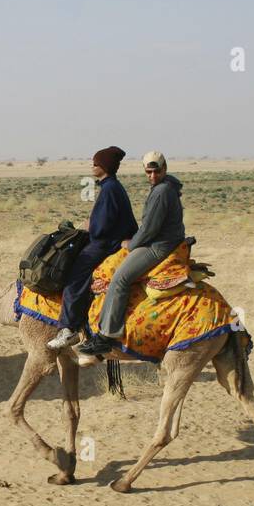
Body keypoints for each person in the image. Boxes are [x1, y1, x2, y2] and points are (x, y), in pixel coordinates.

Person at [77, 151, 185, 356]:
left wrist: (131, 244)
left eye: (157, 171)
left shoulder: (162, 191)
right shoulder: (166, 186)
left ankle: (106, 336)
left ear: (165, 169)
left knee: (119, 279)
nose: (153, 176)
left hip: (158, 246)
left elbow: (149, 229)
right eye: (149, 172)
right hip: (163, 241)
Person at [48, 146, 136, 350]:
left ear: (104, 167)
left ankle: (68, 329)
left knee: (75, 276)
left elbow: (101, 228)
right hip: (111, 240)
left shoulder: (110, 190)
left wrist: (88, 229)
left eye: (96, 163)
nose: (92, 166)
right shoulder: (111, 187)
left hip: (106, 244)